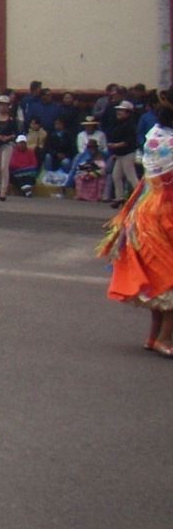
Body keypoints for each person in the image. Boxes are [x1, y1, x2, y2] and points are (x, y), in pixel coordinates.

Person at [101, 94, 173, 356]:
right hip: (163, 212)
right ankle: (165, 339)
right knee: (169, 278)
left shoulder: (155, 134)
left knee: (162, 277)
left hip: (146, 209)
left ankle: (154, 336)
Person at [0, 94, 25, 201]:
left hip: (7, 144)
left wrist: (8, 137)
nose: (3, 107)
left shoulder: (12, 119)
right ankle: (1, 186)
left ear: (9, 106)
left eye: (5, 105)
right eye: (1, 105)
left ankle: (3, 191)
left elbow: (16, 133)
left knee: (4, 167)